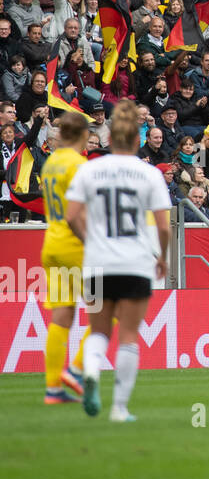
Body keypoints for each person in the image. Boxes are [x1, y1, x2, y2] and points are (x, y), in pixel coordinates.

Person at [66, 101, 172, 421]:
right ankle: (119, 408)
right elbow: (164, 227)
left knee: (98, 332)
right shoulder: (149, 174)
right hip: (135, 262)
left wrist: (91, 241)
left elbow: (71, 216)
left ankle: (92, 373)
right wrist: (162, 258)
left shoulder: (90, 169)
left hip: (98, 262)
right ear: (138, 140)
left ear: (110, 138)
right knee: (128, 336)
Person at [38, 112, 90, 404]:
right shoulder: (79, 165)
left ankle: (53, 388)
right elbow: (80, 212)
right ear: (82, 135)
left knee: (61, 316)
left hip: (52, 244)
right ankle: (77, 369)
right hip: (76, 248)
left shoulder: (51, 163)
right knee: (108, 307)